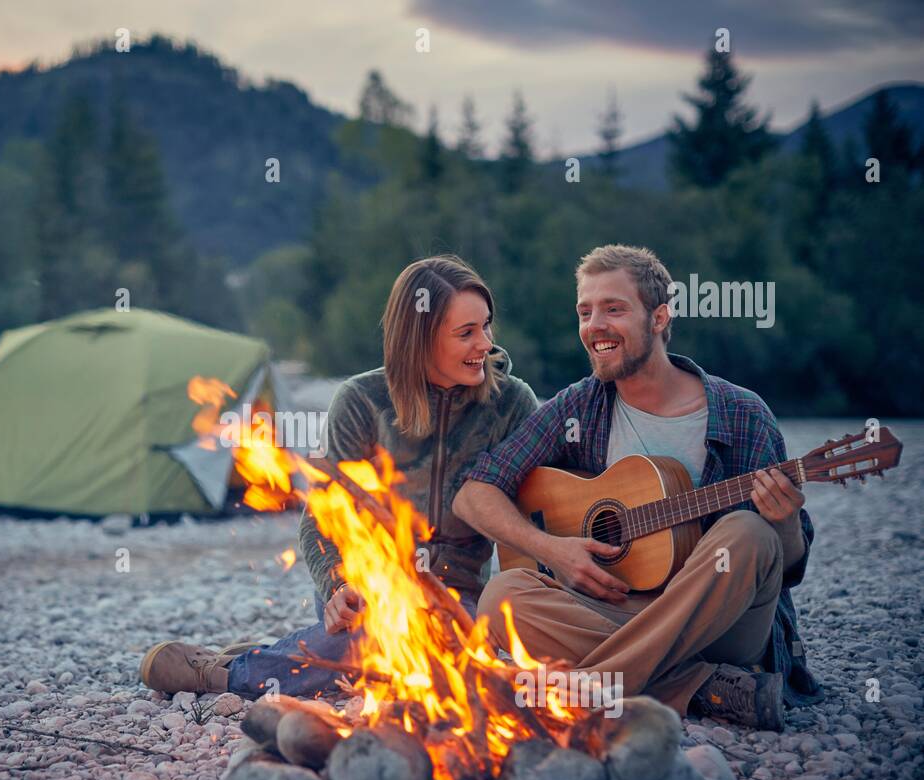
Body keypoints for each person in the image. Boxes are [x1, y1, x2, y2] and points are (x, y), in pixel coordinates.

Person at [452, 244, 822, 731]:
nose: (594, 326)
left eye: (614, 309)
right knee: (503, 595)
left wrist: (784, 521)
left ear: (660, 317)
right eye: (585, 312)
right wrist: (553, 550)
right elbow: (473, 492)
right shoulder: (580, 408)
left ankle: (587, 688)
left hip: (722, 623)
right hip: (618, 609)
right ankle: (702, 688)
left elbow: (788, 565)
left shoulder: (742, 413)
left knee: (747, 533)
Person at [140, 254, 539, 698]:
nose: (485, 343)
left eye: (486, 326)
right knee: (383, 638)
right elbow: (321, 516)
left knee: (441, 661)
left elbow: (544, 499)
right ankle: (220, 676)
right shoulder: (362, 401)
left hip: (457, 598)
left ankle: (255, 662)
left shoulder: (511, 403)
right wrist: (337, 584)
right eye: (466, 333)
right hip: (364, 589)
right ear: (419, 339)